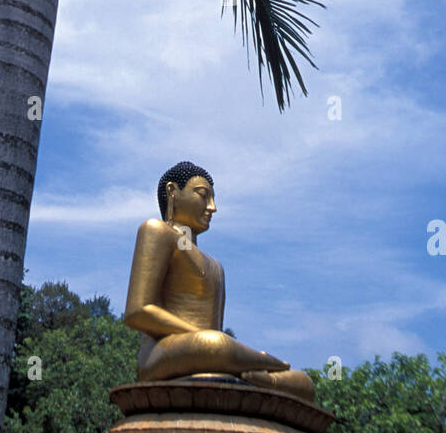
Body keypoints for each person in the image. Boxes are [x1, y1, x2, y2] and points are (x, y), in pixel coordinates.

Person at [123, 160, 315, 402]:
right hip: (165, 353)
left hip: (212, 356)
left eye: (212, 199)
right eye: (203, 196)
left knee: (304, 383)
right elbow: (137, 312)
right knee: (214, 343)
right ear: (173, 192)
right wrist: (203, 338)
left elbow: (216, 334)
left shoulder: (216, 266)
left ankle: (262, 378)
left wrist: (222, 348)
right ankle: (255, 364)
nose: (212, 207)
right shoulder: (158, 231)